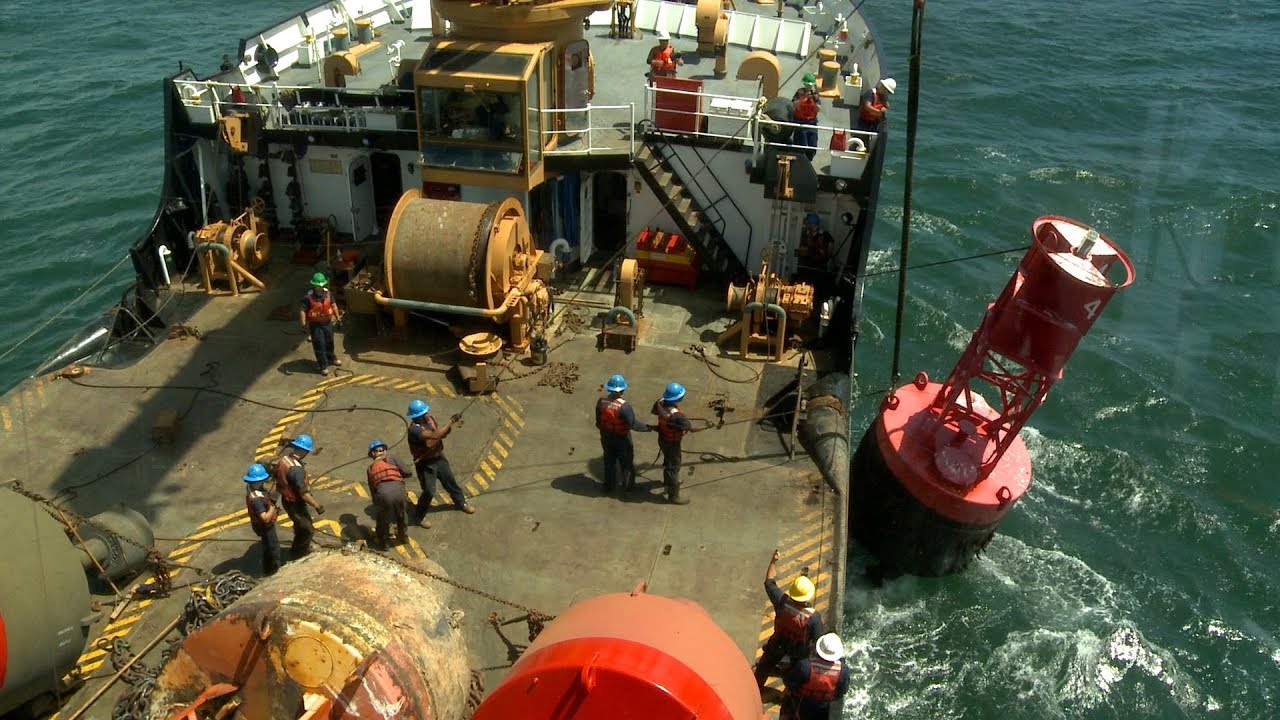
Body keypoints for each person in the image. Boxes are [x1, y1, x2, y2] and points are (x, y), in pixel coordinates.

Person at [755, 549, 825, 687]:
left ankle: (756, 687)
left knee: (763, 668)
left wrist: (773, 561)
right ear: (808, 597)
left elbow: (769, 582)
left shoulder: (782, 602)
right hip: (798, 652)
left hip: (778, 643)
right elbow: (818, 640)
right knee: (795, 675)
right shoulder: (813, 617)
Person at [406, 399, 475, 527]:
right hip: (425, 464)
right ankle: (419, 516)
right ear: (417, 417)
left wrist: (447, 429)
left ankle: (461, 503)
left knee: (450, 482)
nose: (427, 414)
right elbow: (434, 435)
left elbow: (440, 434)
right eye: (424, 413)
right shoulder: (414, 430)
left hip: (438, 458)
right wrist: (451, 421)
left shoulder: (430, 420)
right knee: (429, 491)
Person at [595, 374, 652, 494]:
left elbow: (598, 422)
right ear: (622, 390)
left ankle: (609, 486)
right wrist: (649, 428)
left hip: (606, 437)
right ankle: (629, 488)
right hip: (622, 439)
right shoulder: (624, 407)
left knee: (609, 461)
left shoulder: (601, 402)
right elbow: (634, 424)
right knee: (626, 463)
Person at [273, 434, 326, 558]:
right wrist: (317, 506)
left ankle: (297, 546)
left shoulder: (284, 460)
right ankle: (299, 554)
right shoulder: (296, 470)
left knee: (299, 525)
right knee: (307, 530)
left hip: (286, 499)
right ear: (304, 451)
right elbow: (303, 494)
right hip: (295, 503)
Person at [781, 632, 852, 720]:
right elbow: (843, 690)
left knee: (786, 703)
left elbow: (789, 682)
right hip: (825, 707)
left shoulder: (805, 665)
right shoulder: (843, 671)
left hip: (802, 703)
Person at [650, 382, 694, 504]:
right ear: (677, 398)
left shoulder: (659, 402)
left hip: (662, 438)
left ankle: (667, 482)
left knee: (668, 460)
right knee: (674, 466)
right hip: (672, 443)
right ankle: (673, 496)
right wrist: (707, 426)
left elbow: (654, 411)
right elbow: (690, 428)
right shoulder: (678, 416)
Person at [365, 440, 410, 548]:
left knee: (382, 518)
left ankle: (383, 543)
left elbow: (373, 488)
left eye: (383, 450)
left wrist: (377, 502)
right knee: (401, 514)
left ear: (372, 454)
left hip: (383, 494)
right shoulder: (393, 458)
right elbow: (408, 472)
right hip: (400, 491)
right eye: (381, 450)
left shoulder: (370, 468)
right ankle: (403, 537)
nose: (383, 451)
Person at [299, 272, 342, 375]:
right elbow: (302, 311)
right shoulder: (308, 298)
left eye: (321, 286)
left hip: (327, 323)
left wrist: (338, 317)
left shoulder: (328, 294)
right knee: (319, 344)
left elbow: (334, 305)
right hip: (316, 325)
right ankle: (323, 365)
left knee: (329, 341)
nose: (320, 288)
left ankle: (331, 358)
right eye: (318, 286)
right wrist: (303, 324)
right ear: (314, 285)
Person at [243, 463, 281, 576]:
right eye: (262, 481)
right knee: (273, 548)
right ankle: (273, 571)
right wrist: (272, 505)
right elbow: (265, 518)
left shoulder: (251, 488)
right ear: (257, 482)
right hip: (265, 527)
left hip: (257, 524)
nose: (264, 482)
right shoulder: (257, 500)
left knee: (267, 546)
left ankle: (268, 568)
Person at [794, 213, 835, 287]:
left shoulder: (808, 235)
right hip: (812, 268)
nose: (807, 225)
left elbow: (830, 247)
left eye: (808, 223)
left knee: (811, 286)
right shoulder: (824, 234)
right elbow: (830, 247)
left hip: (815, 269)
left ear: (811, 224)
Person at [791, 74, 821, 160]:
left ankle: (809, 158)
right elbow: (794, 105)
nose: (809, 87)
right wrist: (802, 98)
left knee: (813, 142)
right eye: (807, 85)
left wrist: (814, 99)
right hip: (800, 121)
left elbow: (818, 109)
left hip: (811, 122)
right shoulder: (799, 92)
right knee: (801, 142)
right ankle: (799, 158)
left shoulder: (815, 95)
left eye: (810, 85)